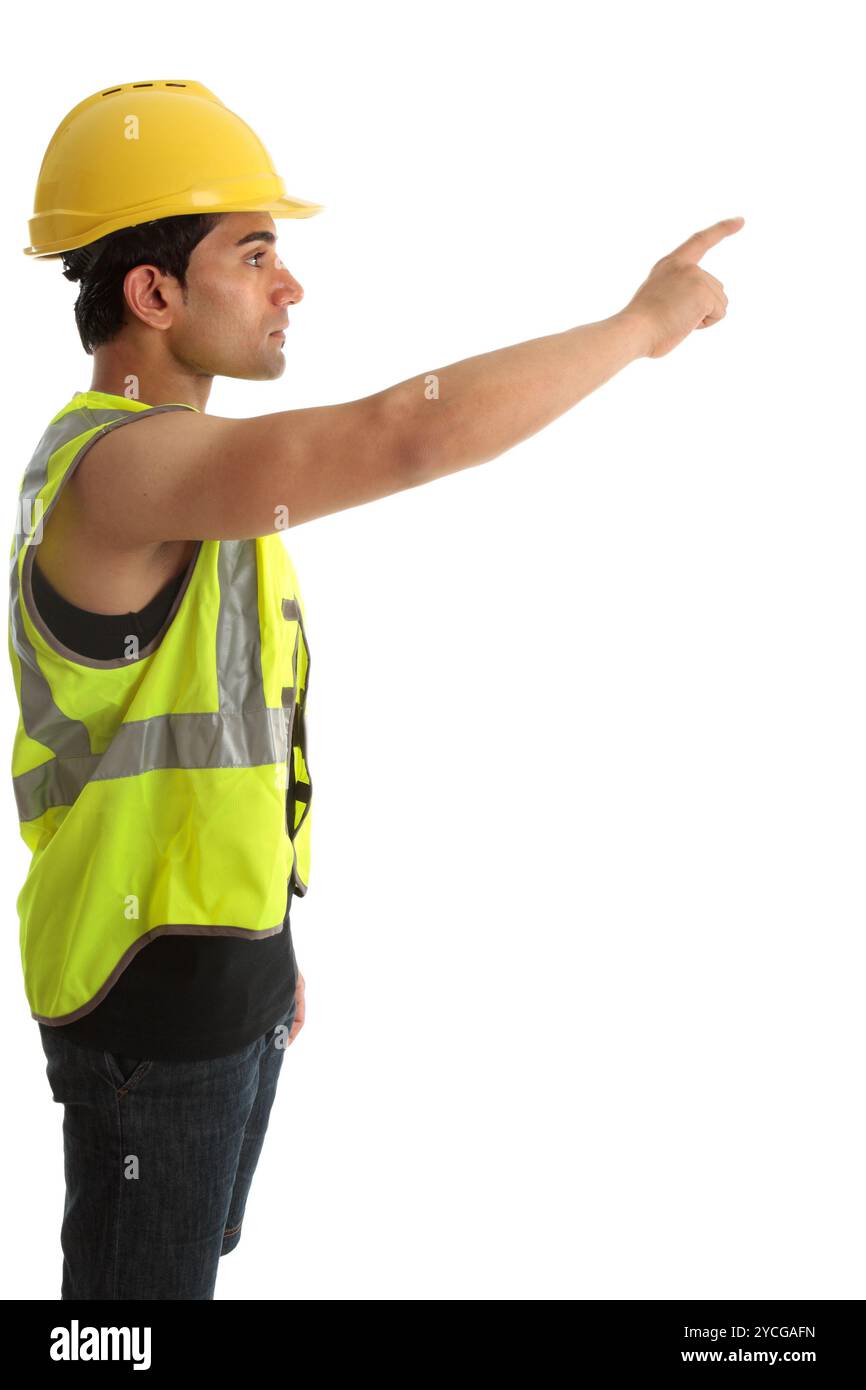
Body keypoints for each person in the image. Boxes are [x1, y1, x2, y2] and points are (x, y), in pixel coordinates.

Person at [9, 79, 743, 1300]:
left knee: (181, 1271)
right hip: (151, 1012)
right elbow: (406, 431)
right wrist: (639, 326)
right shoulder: (122, 470)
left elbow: (220, 741)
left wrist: (267, 940)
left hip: (220, 978)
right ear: (152, 294)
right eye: (252, 253)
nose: (287, 282)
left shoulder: (194, 476)